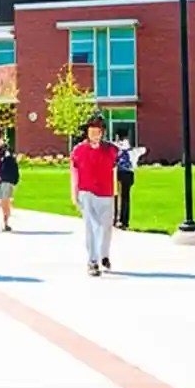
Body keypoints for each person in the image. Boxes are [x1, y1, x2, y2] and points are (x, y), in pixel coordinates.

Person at [70, 115, 118, 276]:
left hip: (106, 192)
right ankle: (92, 261)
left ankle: (104, 255)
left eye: (97, 131)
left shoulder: (111, 150)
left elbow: (116, 169)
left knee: (105, 227)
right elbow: (74, 172)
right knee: (91, 227)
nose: (94, 134)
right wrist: (74, 192)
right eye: (91, 131)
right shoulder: (79, 150)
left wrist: (117, 190)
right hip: (87, 192)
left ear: (102, 132)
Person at [112, 131, 144, 230]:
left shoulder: (117, 150)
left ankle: (117, 219)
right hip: (129, 174)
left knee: (117, 196)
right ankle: (124, 221)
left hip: (119, 173)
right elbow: (143, 150)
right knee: (125, 197)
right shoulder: (133, 151)